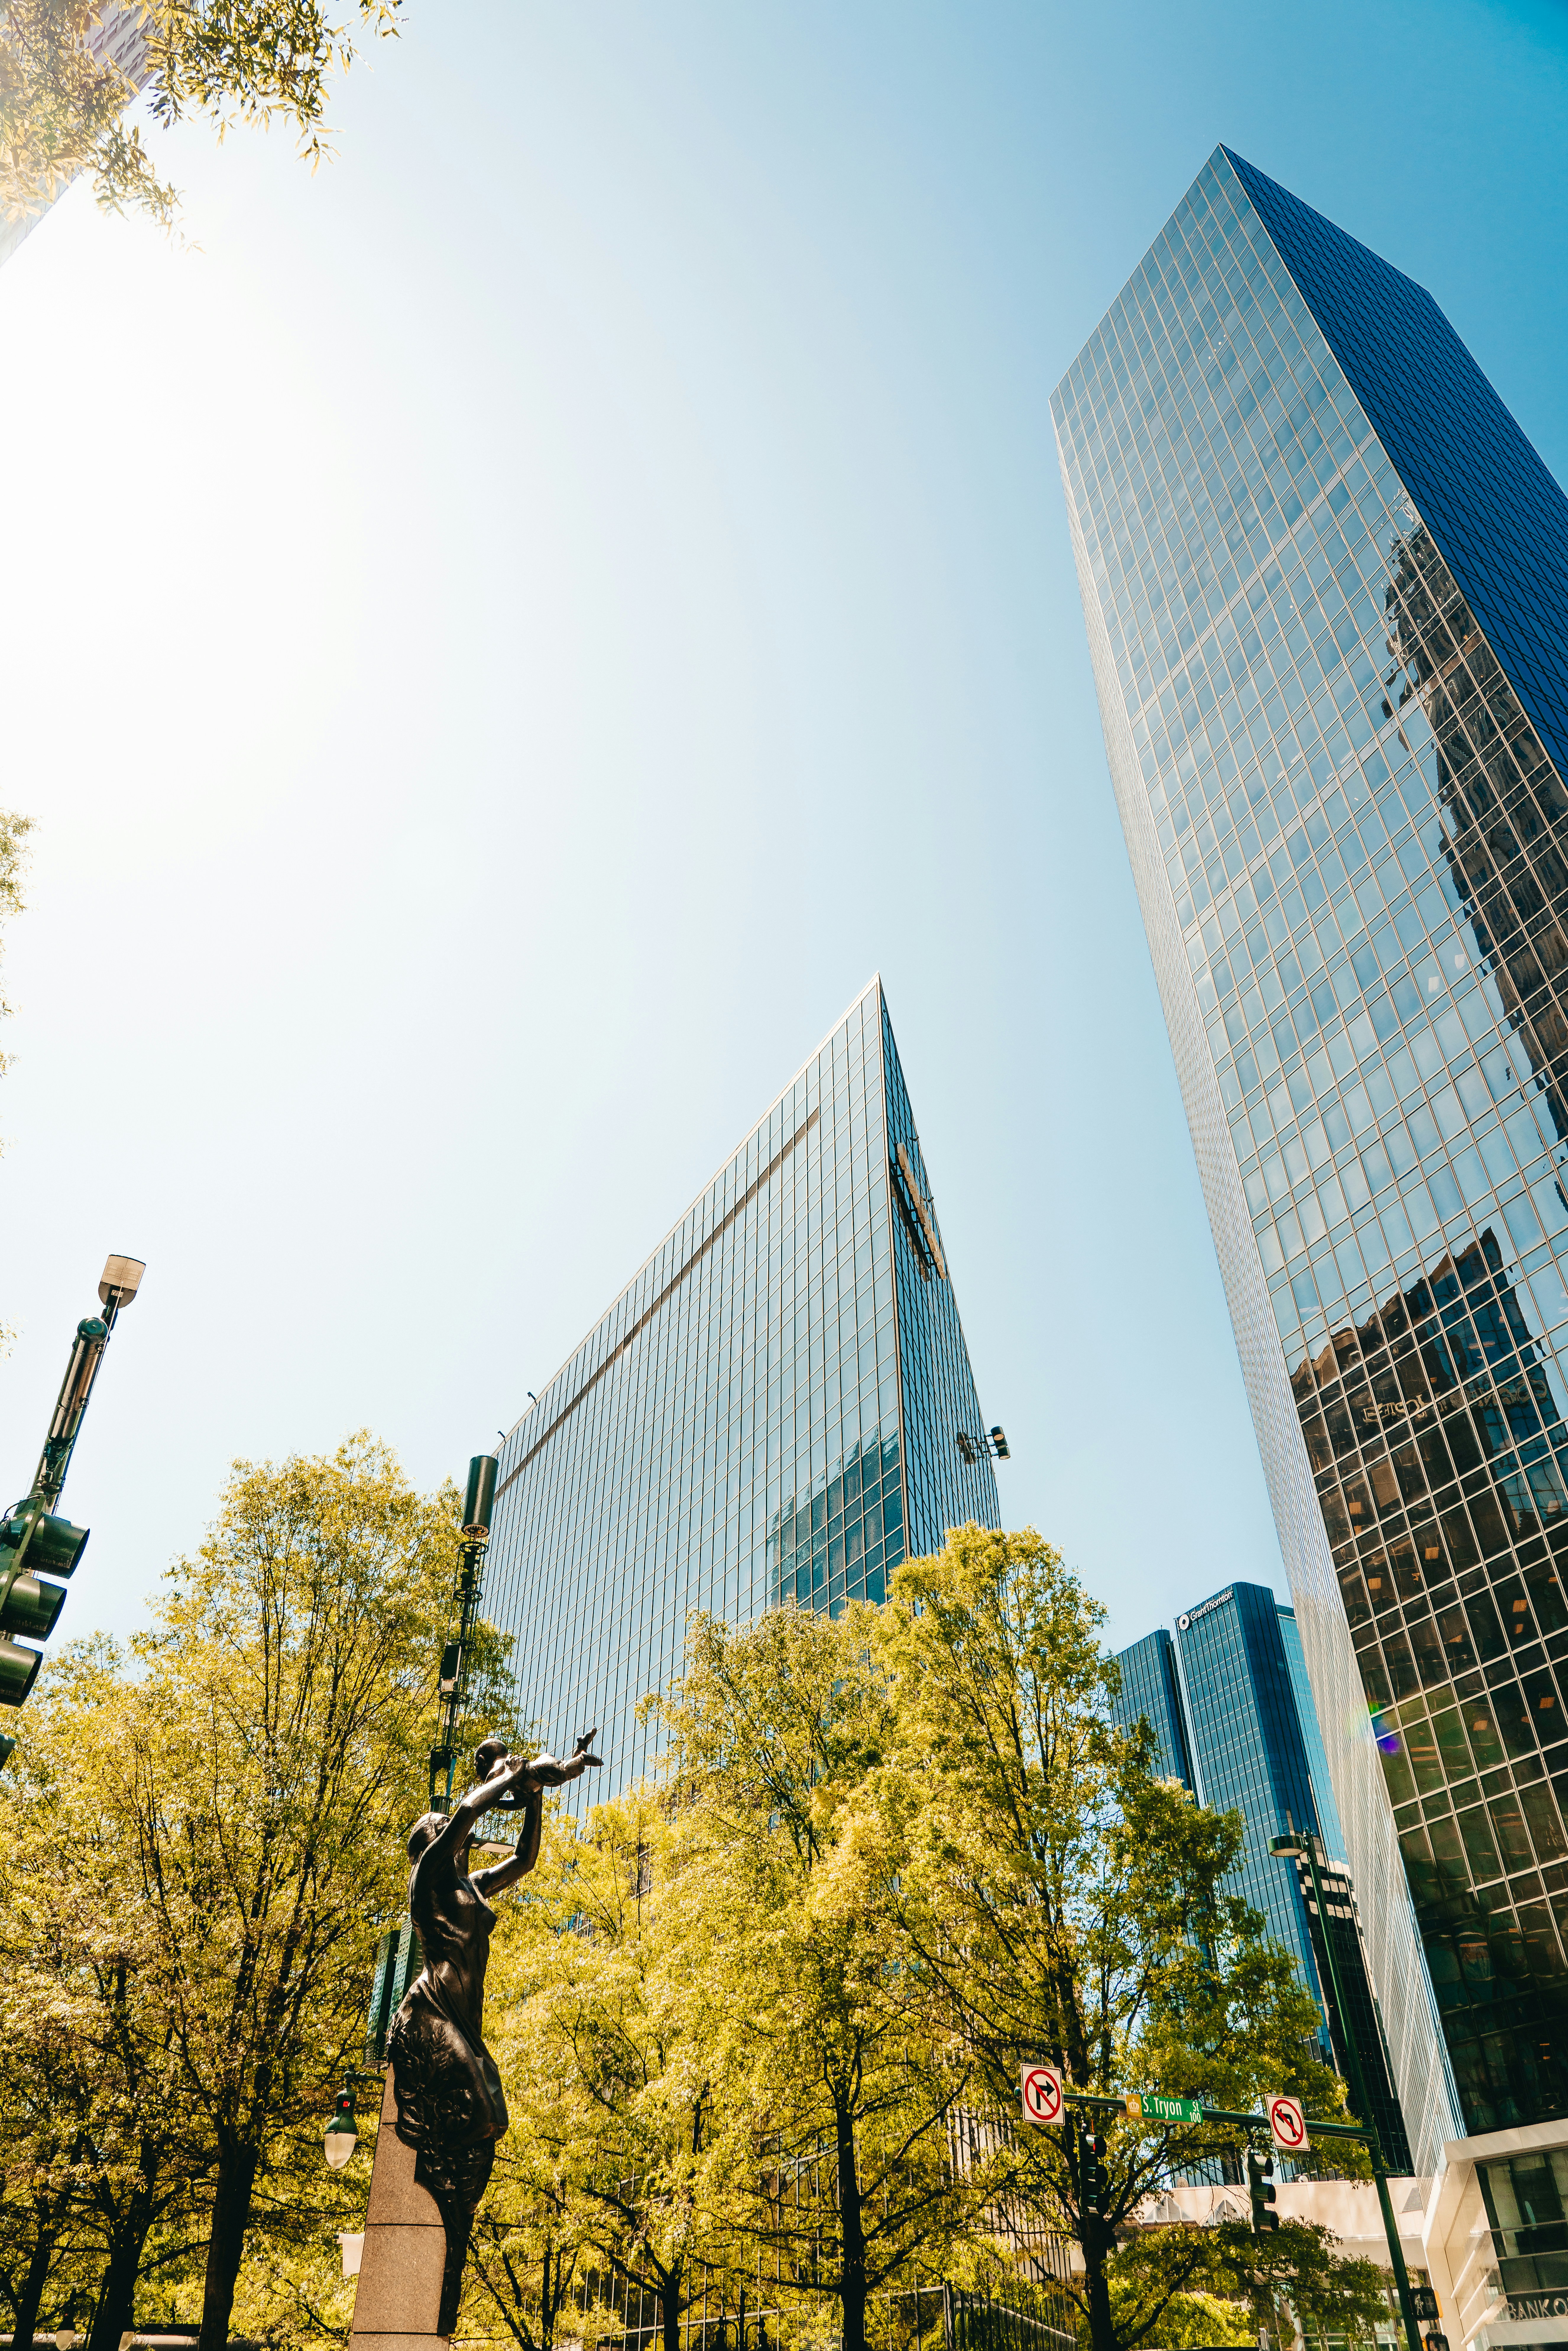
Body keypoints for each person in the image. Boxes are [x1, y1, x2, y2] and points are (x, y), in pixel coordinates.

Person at [388, 1729, 600, 2331]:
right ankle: (441, 2242)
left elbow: (527, 1859)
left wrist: (533, 1795)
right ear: (432, 1840)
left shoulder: (471, 1886)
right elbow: (469, 1809)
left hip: (463, 2019)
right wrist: (527, 1770)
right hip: (429, 2017)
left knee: (491, 2119)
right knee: (479, 2111)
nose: (459, 1834)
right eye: (445, 1828)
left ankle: (451, 2238)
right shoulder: (430, 1875)